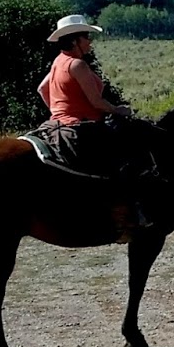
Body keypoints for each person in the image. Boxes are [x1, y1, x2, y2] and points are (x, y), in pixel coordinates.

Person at [37, 13, 150, 229]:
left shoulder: (59, 62)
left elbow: (41, 89)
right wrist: (119, 110)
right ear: (75, 40)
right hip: (81, 125)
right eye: (86, 37)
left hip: (58, 123)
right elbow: (97, 102)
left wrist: (57, 109)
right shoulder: (78, 65)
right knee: (129, 158)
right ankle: (129, 214)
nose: (89, 41)